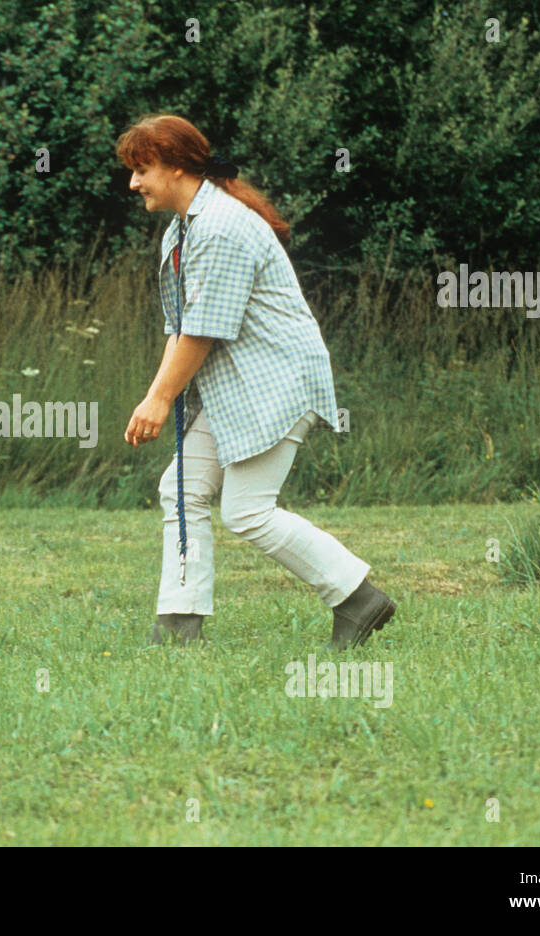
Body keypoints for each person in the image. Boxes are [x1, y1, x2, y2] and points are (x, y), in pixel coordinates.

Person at [116, 114, 396, 650]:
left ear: (176, 168)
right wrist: (156, 395)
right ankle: (179, 626)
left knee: (247, 512)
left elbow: (203, 332)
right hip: (231, 389)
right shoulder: (184, 228)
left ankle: (358, 598)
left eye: (142, 170)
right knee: (181, 490)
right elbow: (180, 327)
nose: (133, 183)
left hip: (276, 382)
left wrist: (160, 398)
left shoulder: (221, 227)